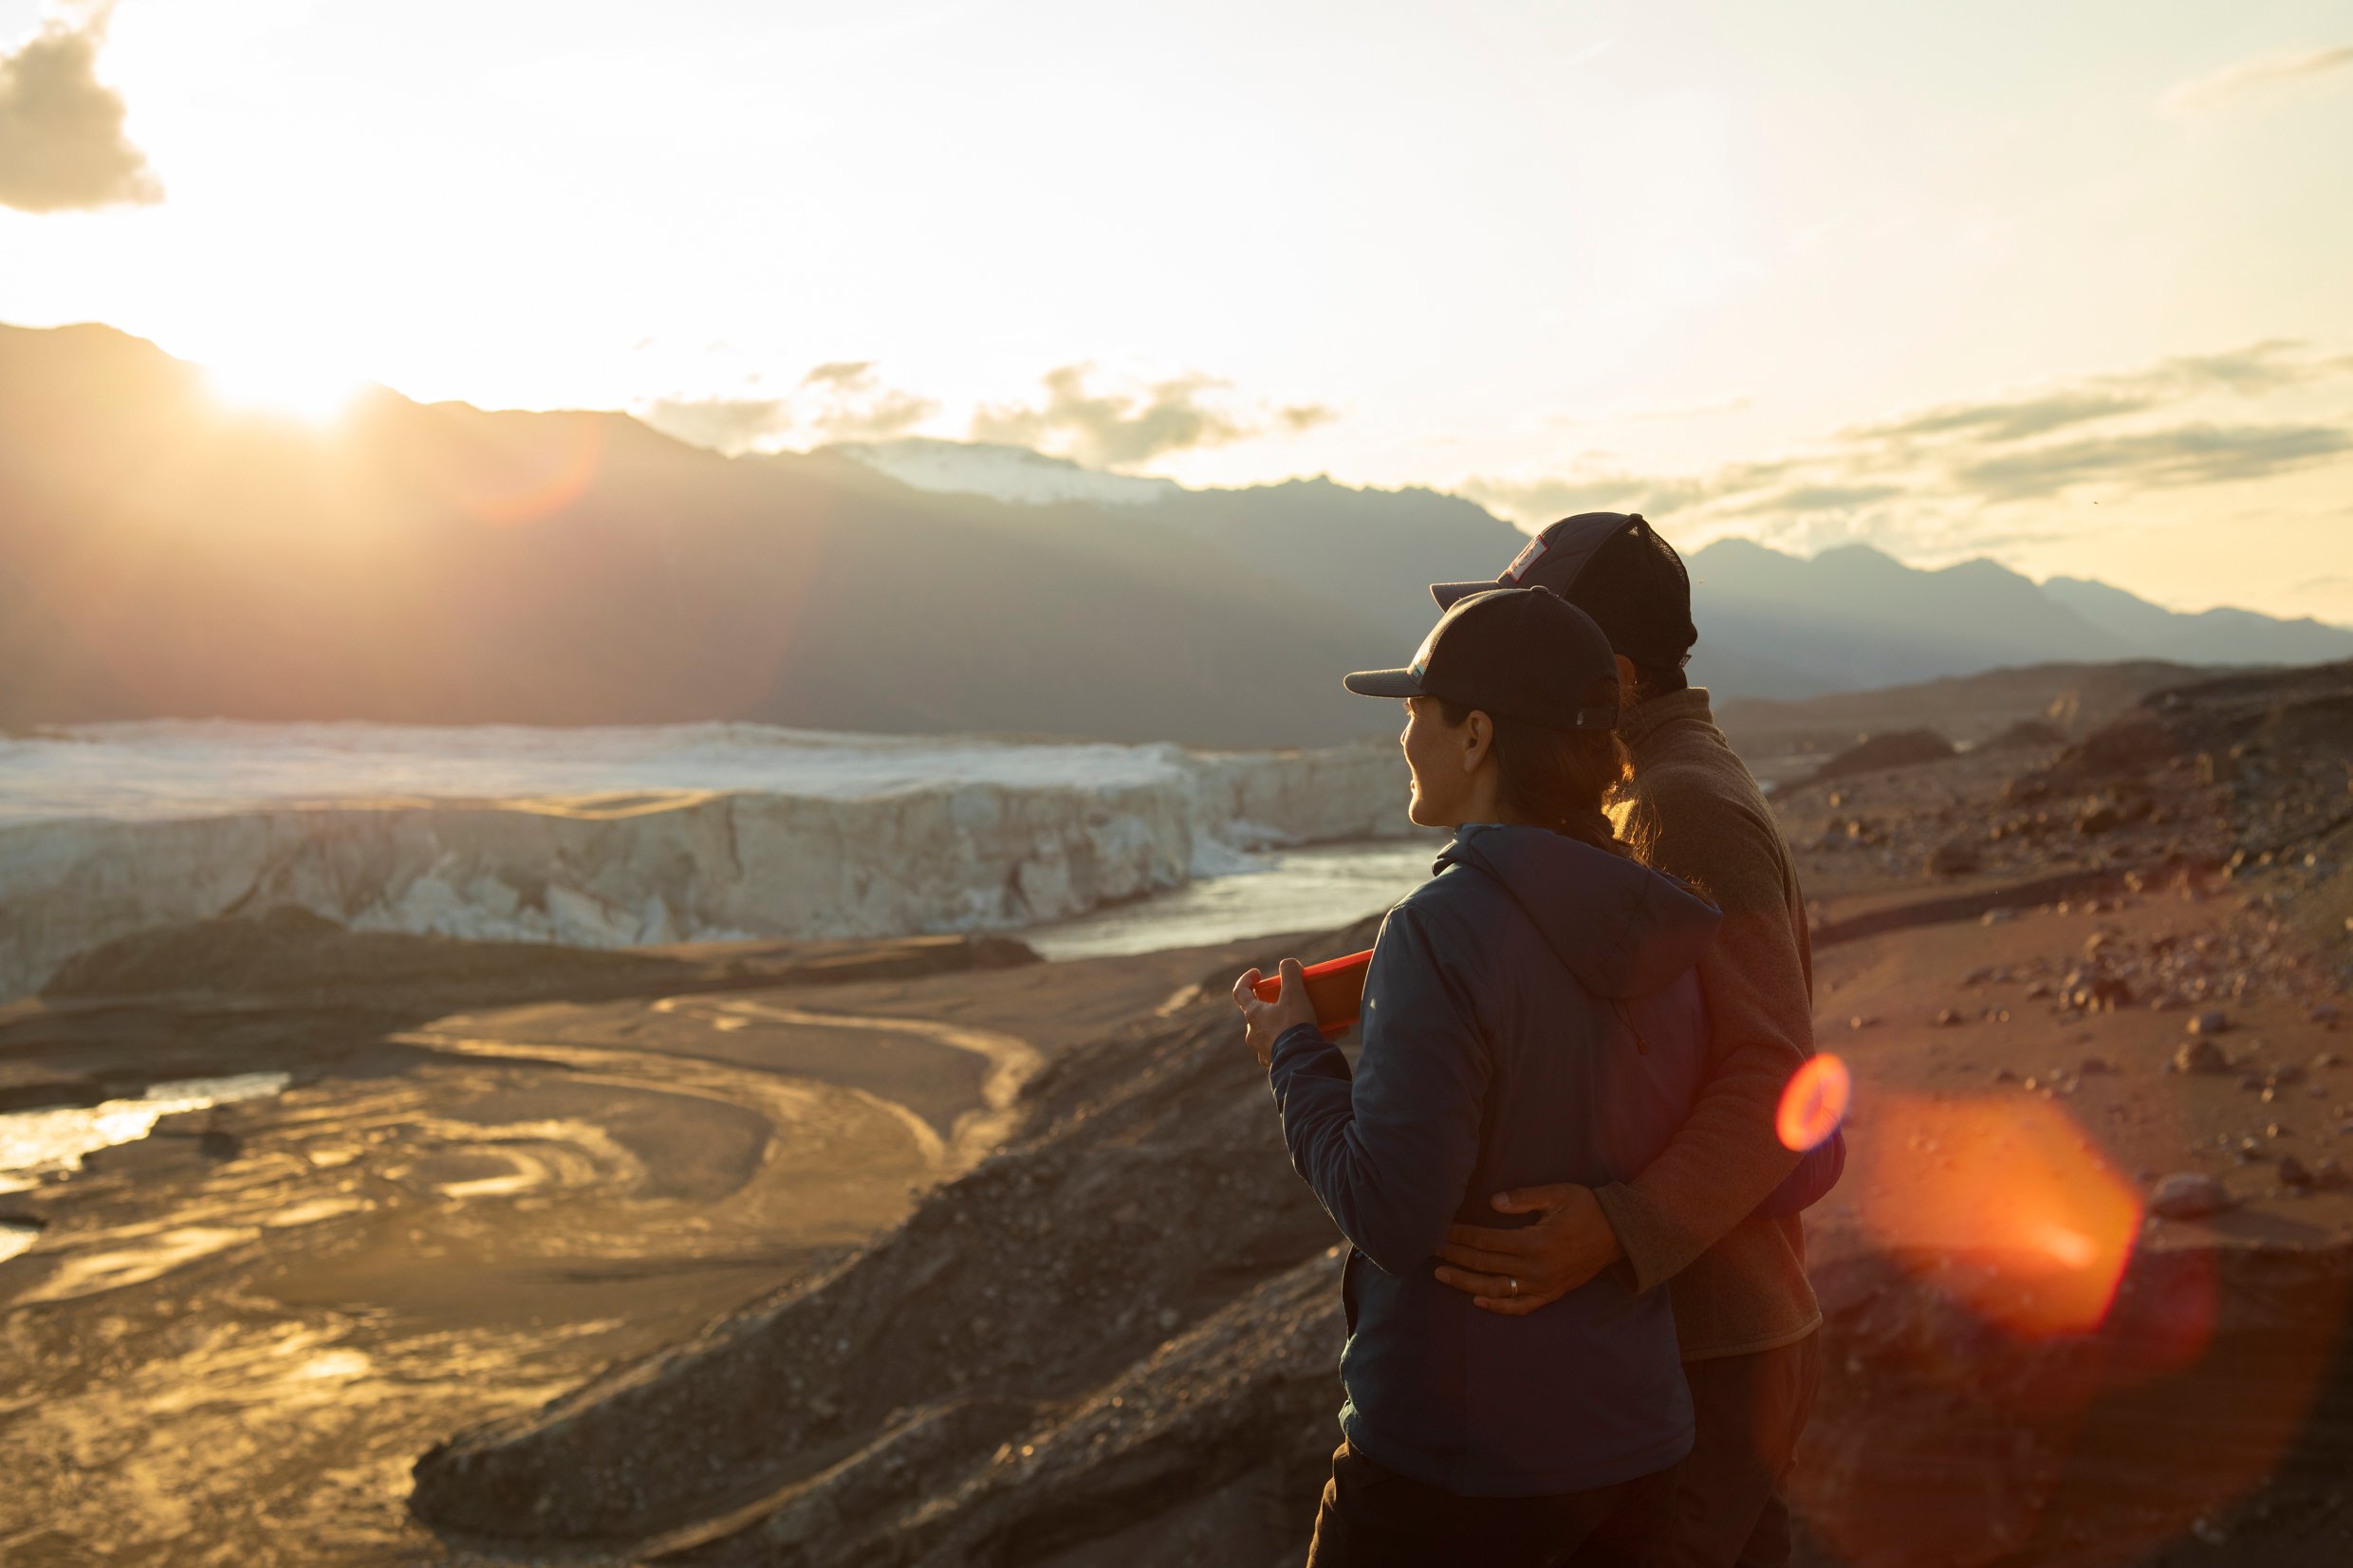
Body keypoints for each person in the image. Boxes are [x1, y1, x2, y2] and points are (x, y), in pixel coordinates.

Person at [1232, 585, 1722, 1567]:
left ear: (1474, 737)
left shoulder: (1436, 930)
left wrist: (1294, 1056)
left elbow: (1392, 1214)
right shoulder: (1665, 918)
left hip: (1452, 1469)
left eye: (1416, 711)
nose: (1404, 736)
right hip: (1635, 1450)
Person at [1424, 513, 1828, 1568]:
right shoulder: (1644, 788)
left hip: (1711, 1341)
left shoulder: (1677, 806)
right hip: (1696, 1336)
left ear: (1604, 670)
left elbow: (1773, 1076)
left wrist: (1618, 1226)